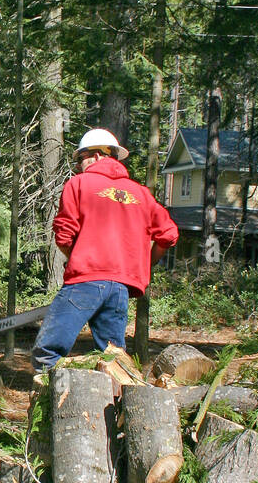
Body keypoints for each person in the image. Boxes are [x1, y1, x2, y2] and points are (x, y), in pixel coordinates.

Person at [32, 128, 178, 373]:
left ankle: (51, 408)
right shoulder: (142, 194)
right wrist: (144, 265)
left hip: (85, 281)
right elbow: (169, 235)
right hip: (120, 289)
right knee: (113, 361)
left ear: (98, 156)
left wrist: (80, 258)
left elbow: (64, 235)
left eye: (81, 158)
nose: (79, 165)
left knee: (47, 351)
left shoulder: (79, 184)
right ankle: (111, 409)